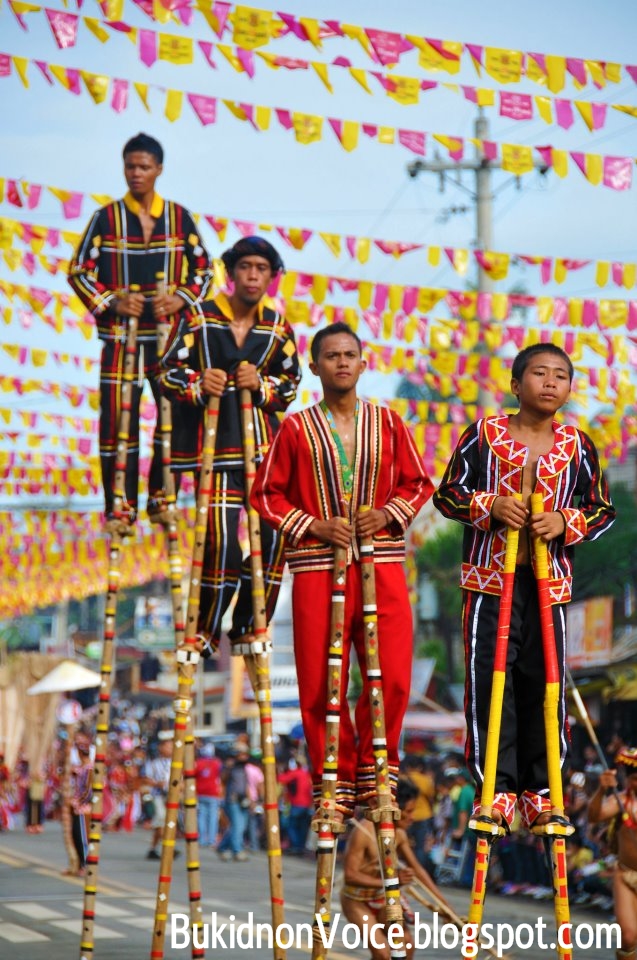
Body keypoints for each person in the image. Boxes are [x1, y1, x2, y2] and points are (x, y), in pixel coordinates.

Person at [251, 322, 434, 815]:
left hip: (383, 564)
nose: (342, 362)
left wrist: (388, 514)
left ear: (363, 362)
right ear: (315, 367)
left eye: (350, 354)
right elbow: (265, 494)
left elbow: (419, 484)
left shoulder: (389, 423)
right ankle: (334, 779)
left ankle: (379, 774)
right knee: (318, 681)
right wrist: (314, 525)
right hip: (316, 567)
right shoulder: (295, 428)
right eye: (331, 356)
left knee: (391, 676)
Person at [433, 343, 615, 833]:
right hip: (490, 585)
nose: (551, 382)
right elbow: (447, 494)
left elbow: (601, 509)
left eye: (561, 375)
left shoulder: (578, 445)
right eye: (539, 373)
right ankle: (495, 789)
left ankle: (540, 789)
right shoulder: (484, 436)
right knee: (492, 683)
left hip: (548, 586)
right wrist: (488, 506)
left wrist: (563, 518)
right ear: (517, 385)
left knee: (544, 683)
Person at [160, 236, 301, 655]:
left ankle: (249, 624)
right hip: (215, 454)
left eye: (261, 268)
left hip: (263, 455)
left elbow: (290, 385)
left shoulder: (277, 326)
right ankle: (204, 629)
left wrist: (263, 384)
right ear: (231, 272)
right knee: (220, 545)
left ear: (271, 277)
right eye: (245, 267)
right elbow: (167, 371)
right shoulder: (199, 318)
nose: (253, 275)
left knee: (274, 542)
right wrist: (198, 382)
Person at [68, 132, 212, 530]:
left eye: (144, 167)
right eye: (130, 166)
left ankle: (162, 498)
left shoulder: (179, 218)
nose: (136, 173)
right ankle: (120, 508)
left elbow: (205, 269)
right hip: (121, 338)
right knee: (118, 421)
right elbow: (79, 271)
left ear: (159, 170)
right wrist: (112, 301)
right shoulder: (106, 218)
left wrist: (182, 298)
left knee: (175, 415)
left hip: (167, 339)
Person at [340, 777, 451, 960]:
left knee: (406, 946)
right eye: (408, 811)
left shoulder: (399, 834)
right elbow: (350, 876)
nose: (412, 817)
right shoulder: (363, 833)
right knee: (382, 953)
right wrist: (395, 881)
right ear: (394, 807)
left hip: (383, 899)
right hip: (356, 901)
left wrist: (447, 910)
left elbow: (418, 871)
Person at [588, 747, 637, 960]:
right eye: (634, 779)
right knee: (628, 937)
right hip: (625, 874)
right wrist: (602, 790)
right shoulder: (622, 800)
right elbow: (594, 816)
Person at [143, 731, 180, 861]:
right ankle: (168, 847)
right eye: (167, 746)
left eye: (171, 746)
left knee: (168, 822)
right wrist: (158, 783)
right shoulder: (153, 762)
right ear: (161, 747)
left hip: (172, 796)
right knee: (161, 819)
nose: (169, 749)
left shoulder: (176, 762)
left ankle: (152, 849)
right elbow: (146, 779)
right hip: (157, 795)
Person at [194, 742, 223, 850]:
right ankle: (211, 840)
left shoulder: (198, 763)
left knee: (201, 816)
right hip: (213, 793)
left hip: (200, 793)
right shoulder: (217, 763)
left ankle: (202, 839)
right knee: (212, 817)